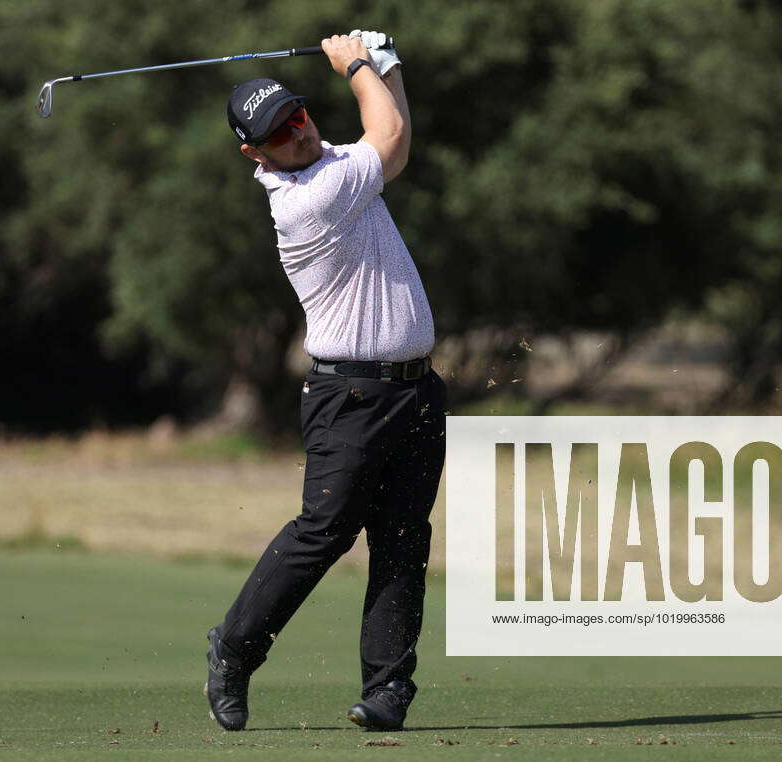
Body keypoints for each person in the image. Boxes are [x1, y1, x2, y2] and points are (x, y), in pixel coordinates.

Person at [205, 30, 447, 733]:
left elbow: (392, 143)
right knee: (324, 533)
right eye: (278, 134)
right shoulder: (305, 201)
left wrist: (389, 65)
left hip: (414, 390)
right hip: (351, 397)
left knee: (404, 537)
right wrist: (360, 64)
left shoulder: (335, 164)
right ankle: (234, 649)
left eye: (299, 116)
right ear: (255, 154)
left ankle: (388, 691)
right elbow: (389, 129)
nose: (297, 133)